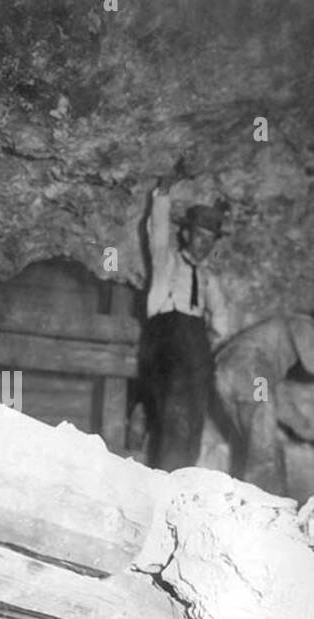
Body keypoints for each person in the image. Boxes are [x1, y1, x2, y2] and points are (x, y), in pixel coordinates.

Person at [132, 183, 233, 471]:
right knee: (174, 419)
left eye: (210, 240)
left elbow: (221, 314)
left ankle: (185, 481)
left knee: (195, 420)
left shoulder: (207, 277)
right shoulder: (166, 263)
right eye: (200, 236)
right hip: (166, 346)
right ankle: (167, 479)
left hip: (195, 351)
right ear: (186, 234)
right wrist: (162, 196)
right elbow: (158, 233)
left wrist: (215, 339)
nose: (204, 245)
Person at [212, 312, 314, 495]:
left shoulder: (273, 362)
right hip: (250, 370)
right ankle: (263, 504)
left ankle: (245, 500)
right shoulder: (303, 323)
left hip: (225, 376)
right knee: (263, 450)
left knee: (249, 445)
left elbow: (282, 406)